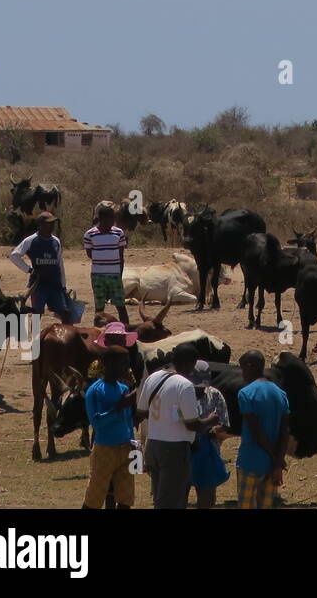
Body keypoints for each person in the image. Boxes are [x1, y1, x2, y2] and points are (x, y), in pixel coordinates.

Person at [135, 342, 213, 509]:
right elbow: (192, 425)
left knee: (160, 497)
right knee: (172, 500)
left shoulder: (153, 378)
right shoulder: (184, 385)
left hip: (153, 444)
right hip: (174, 448)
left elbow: (141, 412)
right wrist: (210, 420)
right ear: (190, 363)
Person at [82, 347, 137, 510]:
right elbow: (97, 423)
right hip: (105, 448)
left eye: (127, 363)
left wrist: (134, 443)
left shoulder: (124, 389)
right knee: (95, 496)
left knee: (125, 498)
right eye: (123, 363)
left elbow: (128, 421)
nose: (126, 367)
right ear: (108, 364)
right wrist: (118, 408)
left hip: (126, 446)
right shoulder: (95, 391)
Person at [235, 350, 290, 509]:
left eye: (243, 369)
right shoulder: (281, 394)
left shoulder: (245, 393)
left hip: (249, 461)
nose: (242, 374)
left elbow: (256, 431)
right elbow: (285, 431)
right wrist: (278, 462)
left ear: (250, 367)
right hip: (271, 467)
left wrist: (274, 456)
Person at [8, 212, 71, 321]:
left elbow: (60, 264)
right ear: (40, 225)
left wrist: (63, 286)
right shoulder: (31, 240)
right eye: (48, 223)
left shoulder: (56, 241)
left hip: (55, 285)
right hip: (38, 286)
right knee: (37, 315)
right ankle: (35, 338)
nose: (52, 226)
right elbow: (14, 256)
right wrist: (29, 270)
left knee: (64, 313)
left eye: (53, 223)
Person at [189, 360, 231, 509]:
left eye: (202, 386)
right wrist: (207, 422)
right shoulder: (181, 393)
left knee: (207, 494)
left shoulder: (215, 395)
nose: (199, 389)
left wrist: (216, 430)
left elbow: (225, 424)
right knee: (181, 491)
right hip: (185, 449)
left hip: (208, 450)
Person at [84, 203, 129, 326]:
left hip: (114, 275)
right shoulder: (90, 234)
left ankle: (126, 331)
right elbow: (90, 254)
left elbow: (121, 256)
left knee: (120, 306)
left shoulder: (118, 233)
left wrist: (119, 274)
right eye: (110, 218)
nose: (113, 221)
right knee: (99, 308)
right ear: (101, 219)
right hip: (97, 276)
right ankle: (97, 333)